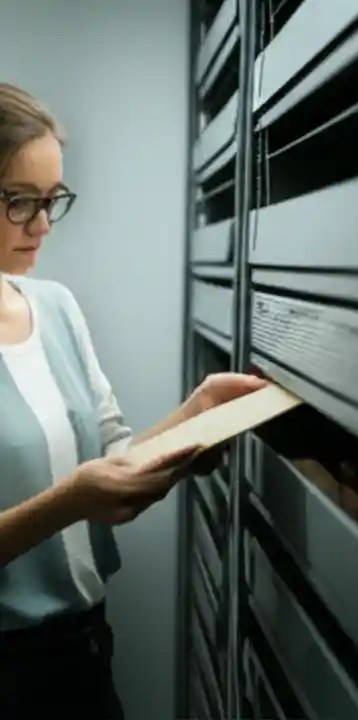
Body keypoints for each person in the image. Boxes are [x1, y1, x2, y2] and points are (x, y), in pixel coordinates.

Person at [0, 83, 265, 718]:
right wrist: (69, 503)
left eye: (53, 200)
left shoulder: (56, 307)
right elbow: (85, 489)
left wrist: (195, 415)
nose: (42, 224)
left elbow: (115, 451)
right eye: (18, 202)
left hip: (84, 650)